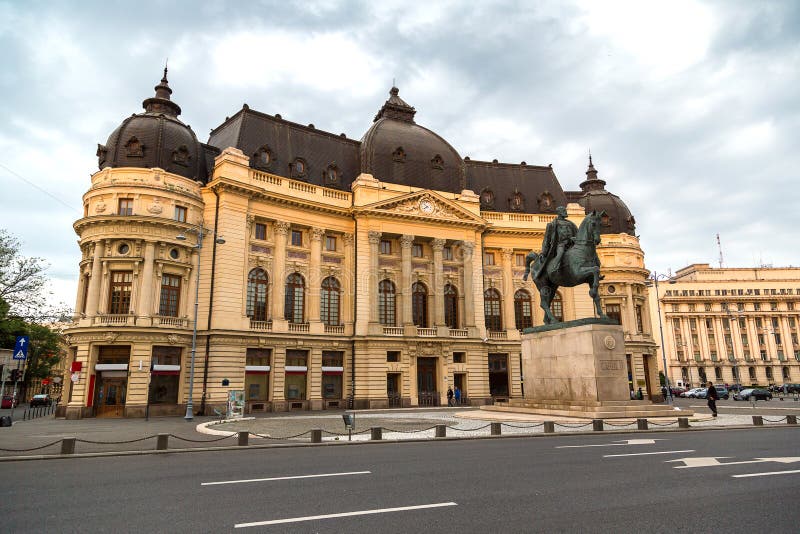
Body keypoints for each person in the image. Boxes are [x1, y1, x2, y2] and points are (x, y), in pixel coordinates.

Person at [532, 205, 578, 279]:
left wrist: (574, 239)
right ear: (559, 213)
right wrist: (544, 253)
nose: (566, 212)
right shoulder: (552, 225)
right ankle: (554, 269)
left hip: (571, 244)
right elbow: (547, 240)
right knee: (560, 254)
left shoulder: (571, 224)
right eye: (564, 211)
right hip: (560, 244)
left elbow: (578, 235)